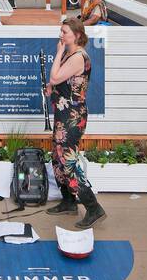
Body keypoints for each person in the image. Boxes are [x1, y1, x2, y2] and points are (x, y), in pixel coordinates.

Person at [44, 17, 106, 229]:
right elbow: (60, 81)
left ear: (77, 35)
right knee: (57, 157)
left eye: (65, 32)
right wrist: (54, 89)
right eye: (60, 31)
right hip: (63, 114)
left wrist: (58, 52)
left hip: (72, 116)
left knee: (68, 161)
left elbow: (54, 77)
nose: (61, 35)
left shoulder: (78, 56)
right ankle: (69, 201)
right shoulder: (71, 54)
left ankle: (93, 207)